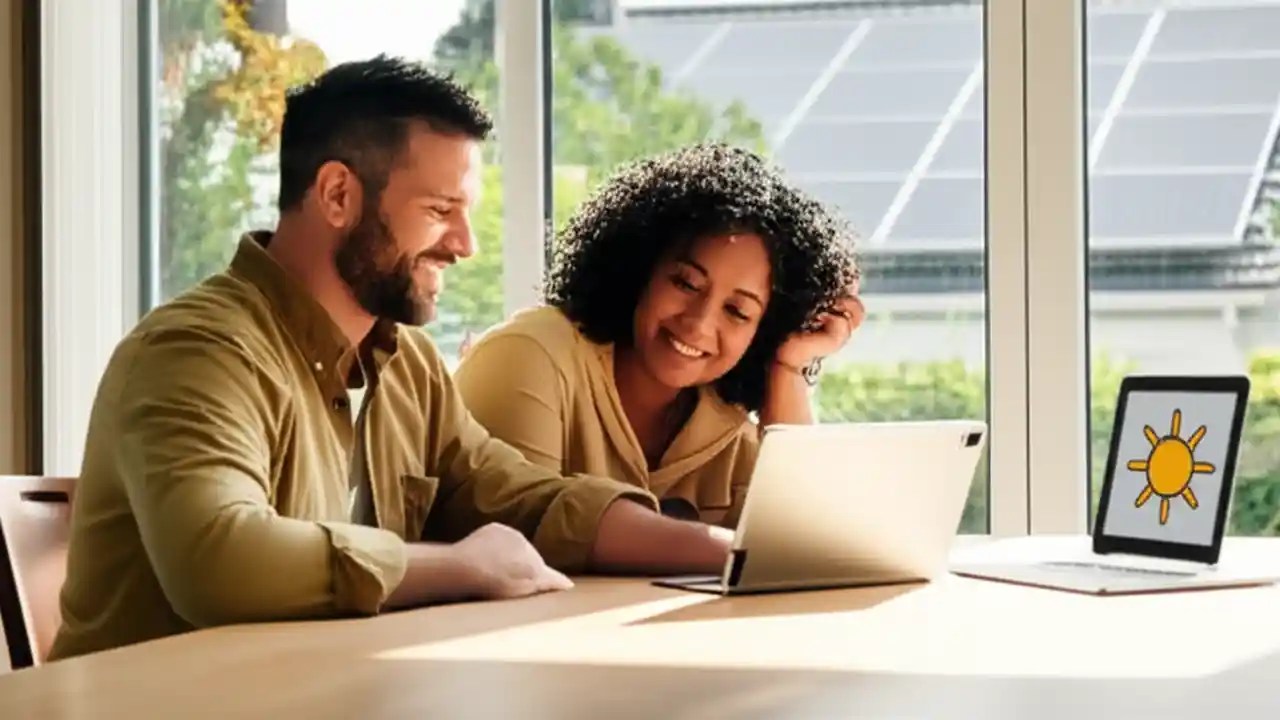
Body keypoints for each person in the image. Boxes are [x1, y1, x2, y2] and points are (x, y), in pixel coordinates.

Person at [49, 56, 732, 661]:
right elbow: (218, 562)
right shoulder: (196, 353)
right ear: (338, 194)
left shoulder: (405, 364)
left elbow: (529, 503)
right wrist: (460, 567)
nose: (465, 244)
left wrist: (722, 552)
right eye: (441, 210)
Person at [454, 144, 862, 527]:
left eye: (737, 311)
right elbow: (525, 537)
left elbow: (809, 539)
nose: (700, 323)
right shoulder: (529, 355)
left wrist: (785, 367)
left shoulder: (730, 428)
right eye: (685, 283)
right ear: (641, 269)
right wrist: (718, 548)